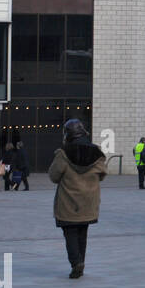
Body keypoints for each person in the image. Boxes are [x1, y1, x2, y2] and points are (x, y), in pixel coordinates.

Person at [48, 119, 106, 279]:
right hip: (89, 201)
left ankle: (76, 263)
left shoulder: (63, 153)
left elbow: (54, 176)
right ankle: (80, 262)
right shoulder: (97, 152)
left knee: (70, 232)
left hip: (68, 202)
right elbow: (102, 174)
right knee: (82, 232)